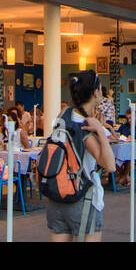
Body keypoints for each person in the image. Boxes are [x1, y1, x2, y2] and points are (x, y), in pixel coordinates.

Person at [45, 70, 114, 241]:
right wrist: (99, 130)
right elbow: (110, 165)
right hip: (82, 198)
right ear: (95, 93)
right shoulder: (86, 127)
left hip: (56, 196)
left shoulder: (63, 114)